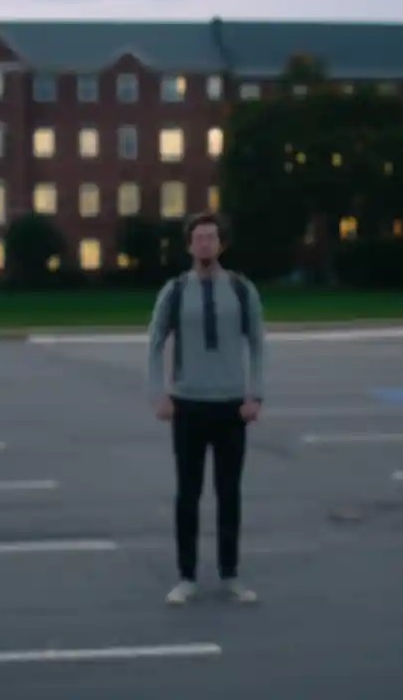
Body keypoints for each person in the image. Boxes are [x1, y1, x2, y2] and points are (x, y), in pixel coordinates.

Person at [146, 212, 266, 606]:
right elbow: (155, 341)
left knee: (229, 493)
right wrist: (159, 394)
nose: (205, 245)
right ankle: (187, 577)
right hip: (188, 405)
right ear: (188, 245)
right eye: (198, 238)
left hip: (232, 407)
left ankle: (229, 575)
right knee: (188, 493)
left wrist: (255, 395)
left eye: (211, 238)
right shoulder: (176, 291)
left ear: (222, 244)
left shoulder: (241, 289)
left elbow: (258, 344)